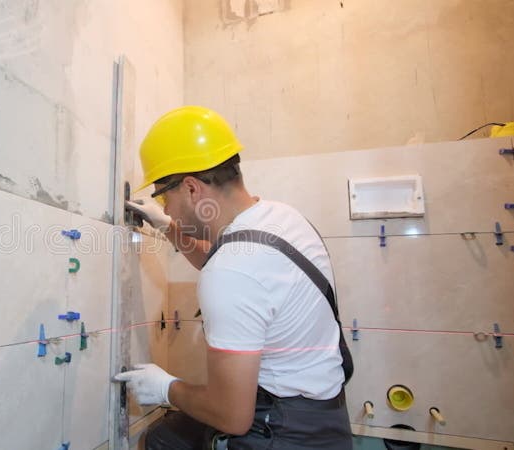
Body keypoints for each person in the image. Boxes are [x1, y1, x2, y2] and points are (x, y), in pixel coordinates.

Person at [113, 106, 353, 450]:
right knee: (168, 438)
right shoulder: (281, 218)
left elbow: (231, 417)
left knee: (164, 440)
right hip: (327, 420)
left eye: (165, 196)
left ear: (193, 189)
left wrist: (165, 387)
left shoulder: (230, 272)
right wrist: (168, 226)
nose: (165, 208)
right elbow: (231, 262)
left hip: (284, 434)